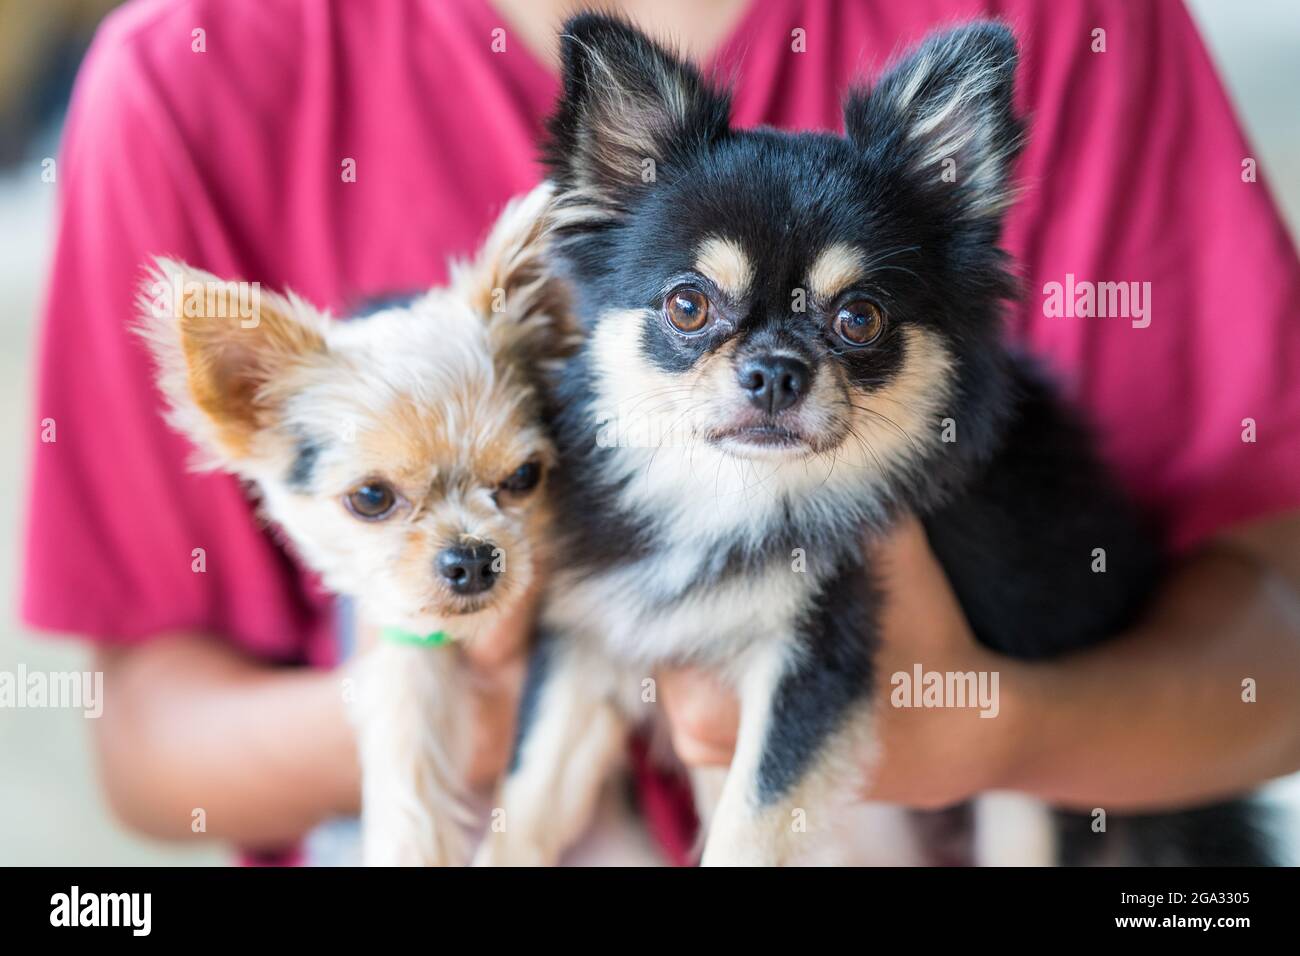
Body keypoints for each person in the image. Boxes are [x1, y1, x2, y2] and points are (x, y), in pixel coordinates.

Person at [23, 0, 1300, 864]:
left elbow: (1272, 645)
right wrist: (451, 710)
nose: (770, 369)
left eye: (852, 323)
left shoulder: (1077, 28)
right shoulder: (197, 64)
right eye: (693, 312)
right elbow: (148, 743)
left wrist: (1003, 725)